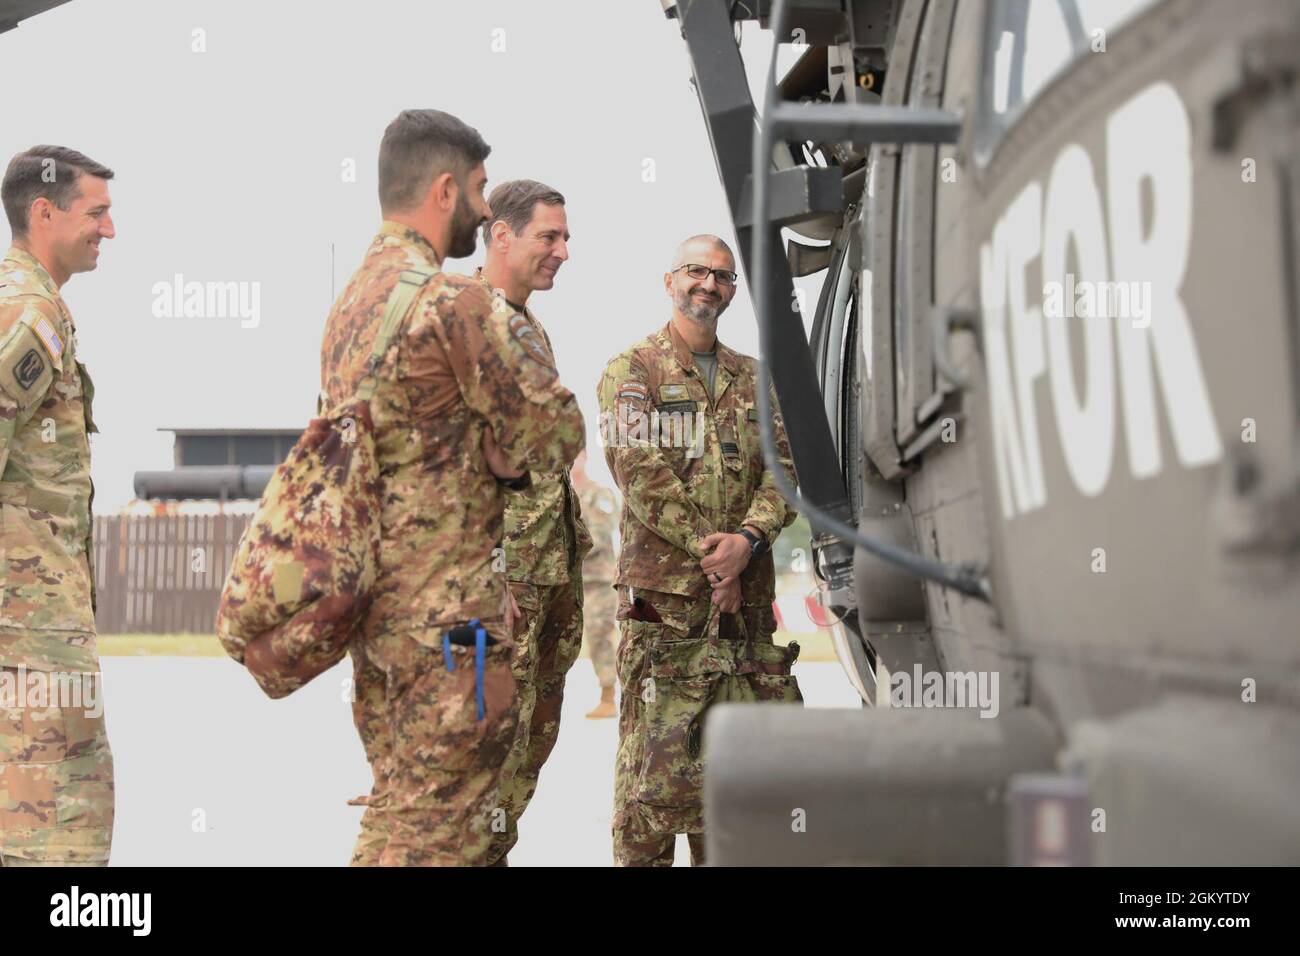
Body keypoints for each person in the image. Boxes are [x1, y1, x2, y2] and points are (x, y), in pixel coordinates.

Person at [319, 111, 584, 866]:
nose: (480, 205)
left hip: (380, 611)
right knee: (445, 831)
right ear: (443, 189)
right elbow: (557, 433)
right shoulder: (452, 304)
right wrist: (502, 452)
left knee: (408, 809)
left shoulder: (353, 305)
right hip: (449, 621)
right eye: (475, 189)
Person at [597, 233, 800, 866]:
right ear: (670, 280)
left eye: (722, 276)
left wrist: (748, 541)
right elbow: (637, 468)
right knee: (651, 782)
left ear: (734, 291)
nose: (709, 284)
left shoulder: (759, 380)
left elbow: (785, 469)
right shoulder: (633, 370)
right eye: (697, 272)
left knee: (739, 774)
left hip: (745, 611)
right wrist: (713, 556)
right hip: (667, 614)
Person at [0, 145, 117, 866]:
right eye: (96, 212)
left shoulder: (31, 302)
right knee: (62, 819)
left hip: (28, 625)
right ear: (45, 212)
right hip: (29, 630)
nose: (110, 230)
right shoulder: (32, 313)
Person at [473, 179, 588, 865]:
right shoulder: (465, 322)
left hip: (546, 581)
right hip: (501, 591)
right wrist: (487, 576)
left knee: (525, 752)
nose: (564, 252)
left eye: (566, 237)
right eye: (551, 236)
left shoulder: (525, 326)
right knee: (484, 756)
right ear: (502, 235)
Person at [570, 449, 619, 719]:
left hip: (597, 581)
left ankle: (608, 696)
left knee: (599, 635)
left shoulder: (599, 495)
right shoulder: (563, 496)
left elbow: (599, 537)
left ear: (585, 458)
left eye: (575, 456)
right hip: (570, 580)